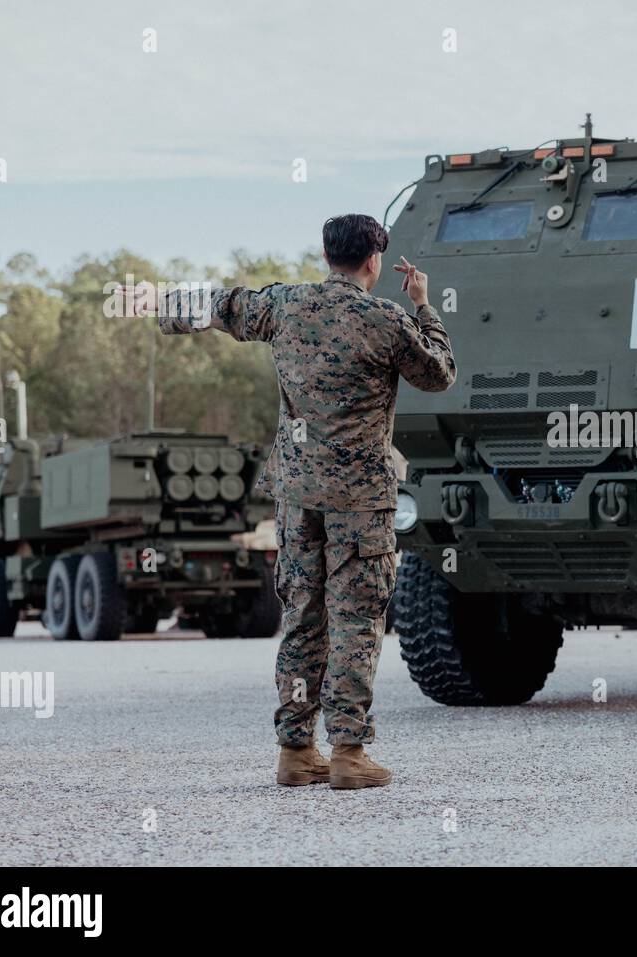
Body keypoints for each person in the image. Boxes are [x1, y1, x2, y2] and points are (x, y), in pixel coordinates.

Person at [154, 214, 456, 789]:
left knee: (301, 618)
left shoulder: (285, 305)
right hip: (359, 501)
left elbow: (221, 305)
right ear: (373, 261)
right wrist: (424, 305)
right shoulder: (386, 319)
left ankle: (295, 752)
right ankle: (347, 752)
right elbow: (439, 373)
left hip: (296, 497)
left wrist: (165, 307)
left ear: (326, 255)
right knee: (356, 621)